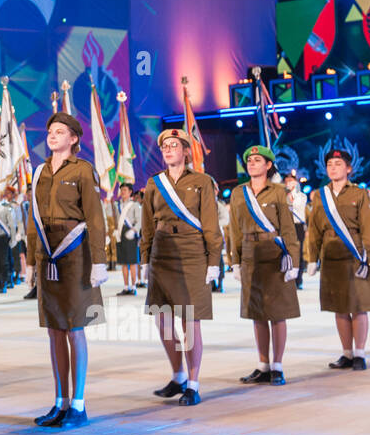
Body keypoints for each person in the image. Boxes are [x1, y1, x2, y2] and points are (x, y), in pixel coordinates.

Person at [24, 111, 107, 429]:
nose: (53, 135)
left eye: (60, 132)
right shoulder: (39, 172)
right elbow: (33, 220)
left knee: (75, 328)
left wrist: (98, 260)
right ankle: (59, 401)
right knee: (54, 329)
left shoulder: (84, 171)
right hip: (48, 257)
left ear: (74, 139)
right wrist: (31, 261)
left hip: (76, 257)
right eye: (50, 131)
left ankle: (78, 404)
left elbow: (95, 218)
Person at [140, 128, 221, 406]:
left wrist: (214, 261)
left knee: (189, 321)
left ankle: (194, 383)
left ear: (186, 151)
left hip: (191, 253)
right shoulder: (154, 183)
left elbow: (211, 223)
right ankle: (178, 376)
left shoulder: (202, 181)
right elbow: (147, 225)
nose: (169, 150)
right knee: (163, 321)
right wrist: (144, 259)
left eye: (175, 145)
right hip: (162, 254)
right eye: (165, 147)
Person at [229, 146, 299, 386]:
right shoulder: (238, 193)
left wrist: (294, 261)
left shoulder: (279, 192)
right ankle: (263, 365)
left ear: (269, 165)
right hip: (250, 255)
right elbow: (234, 230)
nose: (252, 163)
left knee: (277, 314)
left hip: (274, 255)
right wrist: (235, 261)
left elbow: (288, 228)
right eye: (249, 160)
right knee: (257, 313)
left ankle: (277, 366)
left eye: (258, 160)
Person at [305, 149, 370, 370]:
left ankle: (360, 353)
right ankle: (346, 353)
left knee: (359, 306)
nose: (333, 168)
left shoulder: (359, 194)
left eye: (338, 164)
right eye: (330, 164)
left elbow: (368, 227)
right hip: (331, 255)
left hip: (355, 255)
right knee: (338, 307)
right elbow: (315, 228)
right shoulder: (320, 195)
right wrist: (312, 258)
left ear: (349, 169)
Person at [115, 183, 141, 296]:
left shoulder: (134, 205)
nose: (122, 192)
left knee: (133, 262)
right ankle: (126, 287)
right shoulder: (118, 205)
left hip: (131, 234)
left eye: (125, 190)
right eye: (121, 190)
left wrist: (134, 231)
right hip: (121, 234)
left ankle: (133, 287)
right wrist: (116, 230)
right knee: (123, 262)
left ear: (130, 192)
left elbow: (140, 221)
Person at [284, 173, 309, 290]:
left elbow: (296, 206)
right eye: (286, 181)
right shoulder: (282, 195)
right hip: (286, 225)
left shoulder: (301, 196)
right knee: (286, 252)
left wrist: (292, 192)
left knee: (297, 252)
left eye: (291, 181)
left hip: (297, 226)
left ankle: (298, 280)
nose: (288, 183)